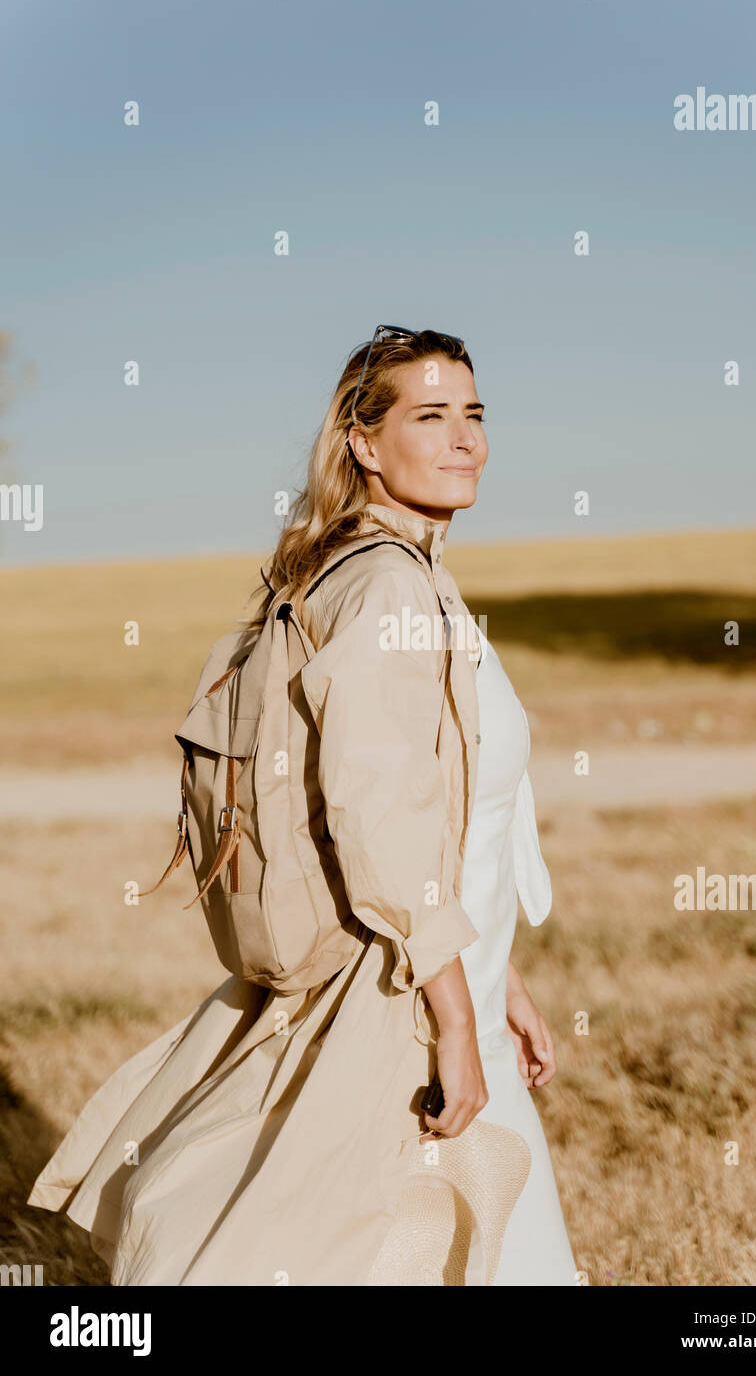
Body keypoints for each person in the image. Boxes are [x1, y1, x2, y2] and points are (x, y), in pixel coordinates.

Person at [27, 325, 576, 1285]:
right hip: (401, 991)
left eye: (476, 416)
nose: (466, 441)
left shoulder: (411, 577)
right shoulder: (383, 589)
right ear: (364, 442)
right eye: (432, 416)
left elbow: (449, 819)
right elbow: (375, 817)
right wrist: (454, 1018)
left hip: (452, 974)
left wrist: (501, 984)